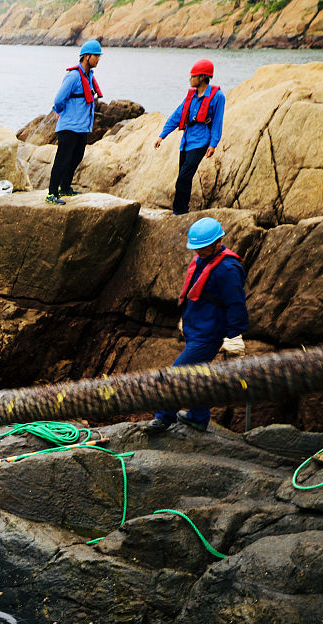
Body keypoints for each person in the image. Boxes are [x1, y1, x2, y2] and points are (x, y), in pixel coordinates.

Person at [146, 217, 248, 434]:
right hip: (196, 328)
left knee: (177, 375)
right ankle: (198, 417)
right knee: (196, 374)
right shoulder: (204, 260)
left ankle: (164, 417)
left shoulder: (229, 269)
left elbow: (236, 303)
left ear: (218, 242)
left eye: (203, 247)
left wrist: (234, 334)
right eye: (197, 248)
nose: (199, 251)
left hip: (208, 334)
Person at [154, 60, 226, 215]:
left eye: (193, 76)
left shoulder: (217, 97)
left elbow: (218, 122)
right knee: (183, 178)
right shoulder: (191, 95)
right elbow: (177, 115)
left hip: (201, 142)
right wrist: (162, 136)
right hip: (186, 142)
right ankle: (182, 209)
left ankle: (178, 211)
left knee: (183, 178)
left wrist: (213, 144)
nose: (190, 78)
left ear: (202, 77)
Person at [46, 40, 103, 205]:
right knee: (62, 159)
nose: (98, 59)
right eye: (96, 56)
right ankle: (51, 193)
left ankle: (65, 188)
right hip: (69, 126)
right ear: (86, 57)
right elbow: (59, 99)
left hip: (82, 127)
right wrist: (60, 111)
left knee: (76, 157)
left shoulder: (89, 76)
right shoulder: (73, 76)